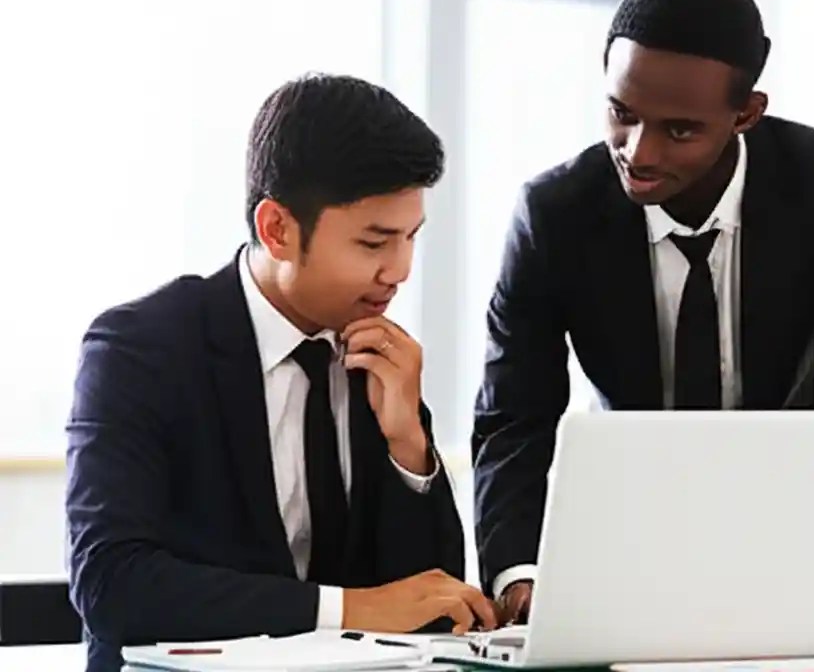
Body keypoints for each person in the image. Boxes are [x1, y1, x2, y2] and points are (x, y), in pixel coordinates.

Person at [472, 0, 814, 640]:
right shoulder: (554, 214)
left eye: (680, 131)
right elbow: (514, 416)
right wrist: (521, 576)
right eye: (621, 114)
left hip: (788, 545)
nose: (638, 151)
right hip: (622, 549)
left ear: (746, 114)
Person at [66, 74, 497, 672]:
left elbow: (433, 597)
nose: (399, 271)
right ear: (278, 229)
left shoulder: (377, 351)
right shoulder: (140, 351)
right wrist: (348, 609)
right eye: (374, 243)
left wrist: (408, 447)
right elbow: (113, 585)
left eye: (410, 238)